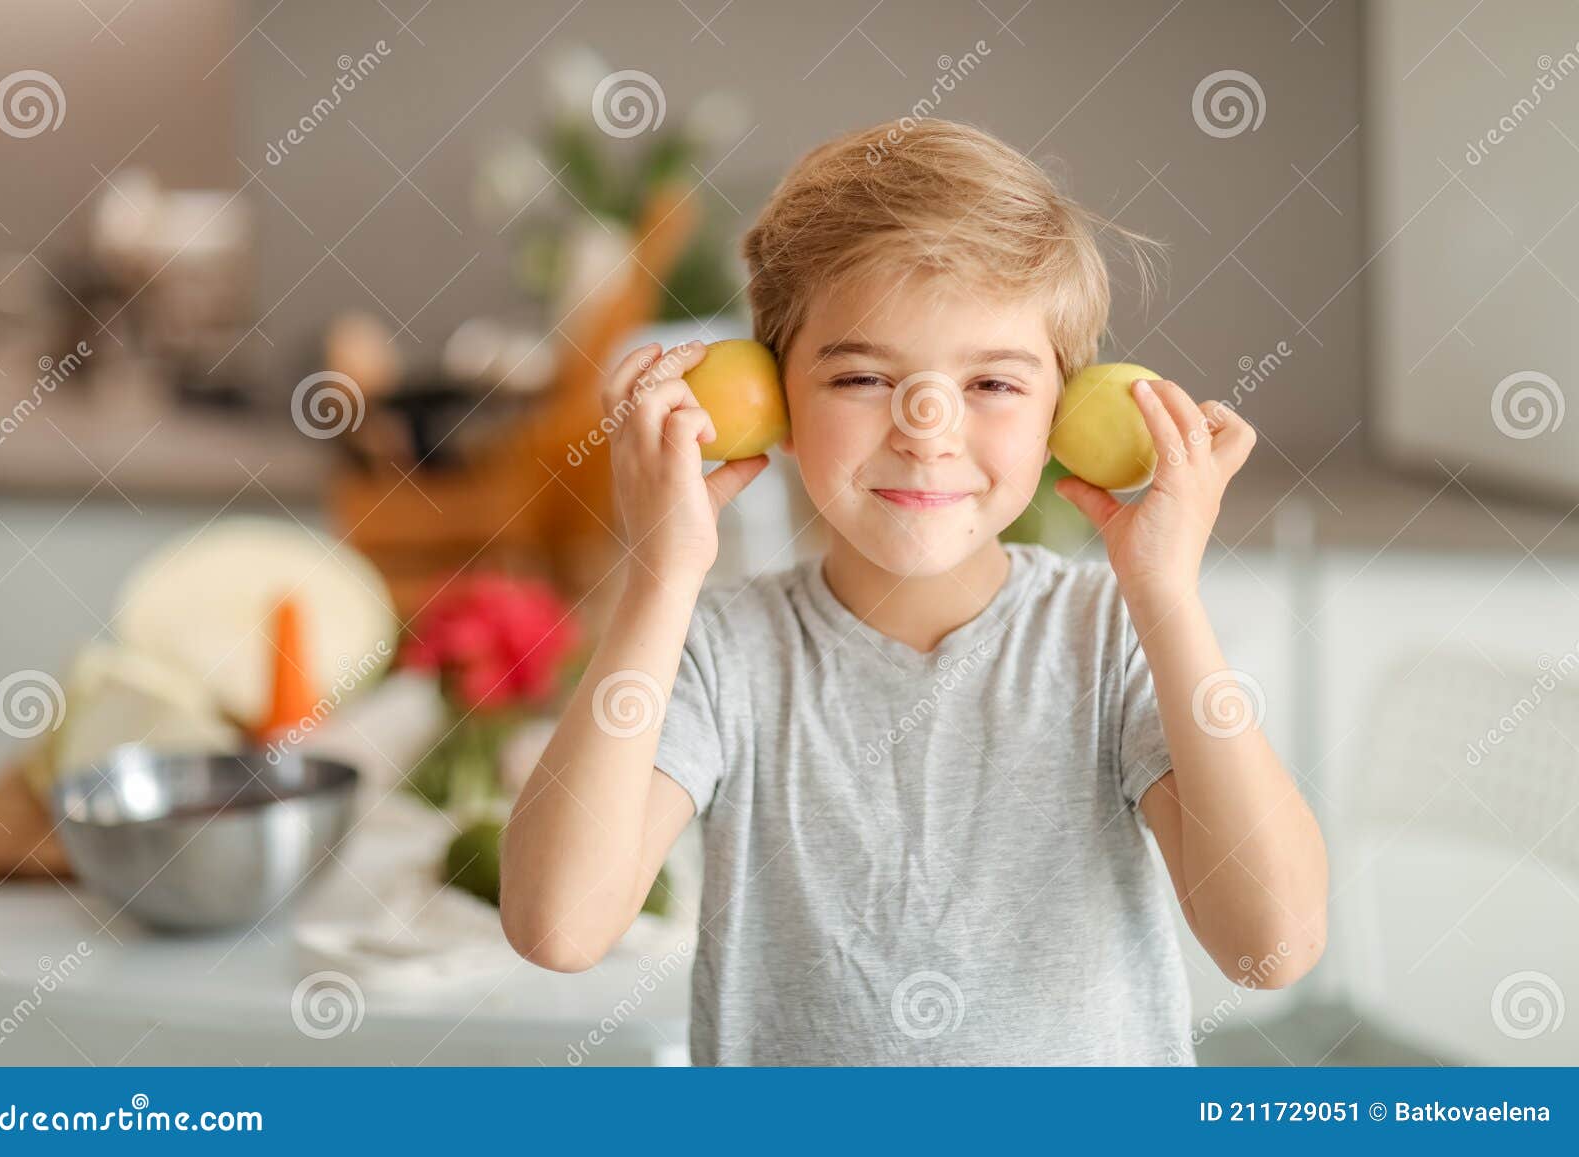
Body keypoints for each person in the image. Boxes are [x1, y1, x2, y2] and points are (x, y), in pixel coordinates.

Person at [501, 118, 1327, 1065]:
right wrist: (660, 574)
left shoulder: (1113, 636)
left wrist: (1168, 596)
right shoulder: (720, 650)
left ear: (1066, 405)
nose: (926, 429)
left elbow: (1273, 945)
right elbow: (557, 925)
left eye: (991, 383)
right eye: (860, 374)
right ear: (771, 399)